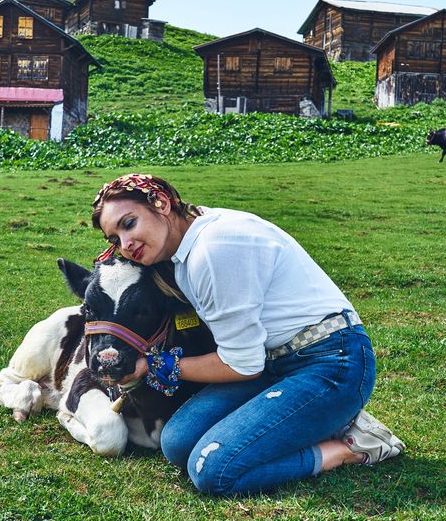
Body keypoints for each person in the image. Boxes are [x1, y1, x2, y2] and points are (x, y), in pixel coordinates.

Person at [90, 173, 404, 496]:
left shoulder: (210, 251)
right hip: (275, 363)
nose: (125, 245)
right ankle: (313, 418)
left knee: (210, 469)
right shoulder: (189, 242)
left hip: (333, 363)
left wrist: (156, 365)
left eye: (129, 224)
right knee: (176, 442)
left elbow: (243, 365)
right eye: (114, 239)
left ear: (162, 203)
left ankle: (349, 446)